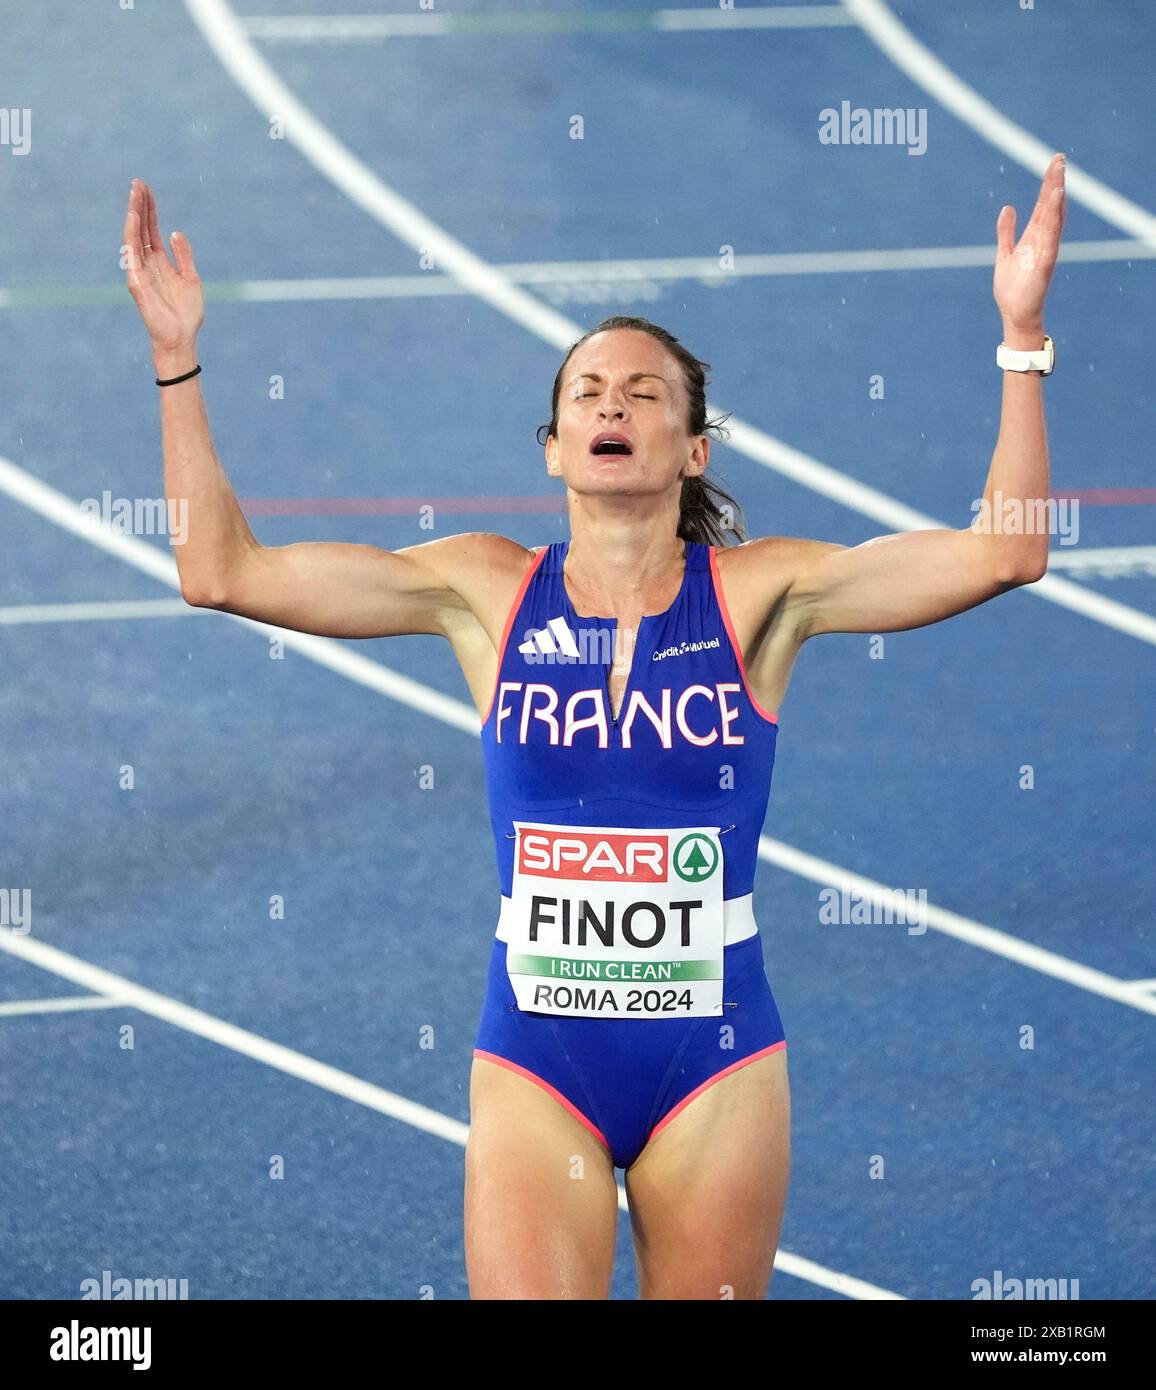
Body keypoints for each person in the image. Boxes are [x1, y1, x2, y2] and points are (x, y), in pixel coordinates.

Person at [124, 153, 1066, 1299]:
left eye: (644, 392)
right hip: (539, 1059)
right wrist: (178, 363)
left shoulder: (764, 596)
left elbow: (1007, 550)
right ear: (554, 448)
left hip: (713, 1060)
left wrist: (1021, 340)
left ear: (694, 449)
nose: (613, 403)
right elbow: (219, 571)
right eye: (587, 393)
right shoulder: (482, 591)